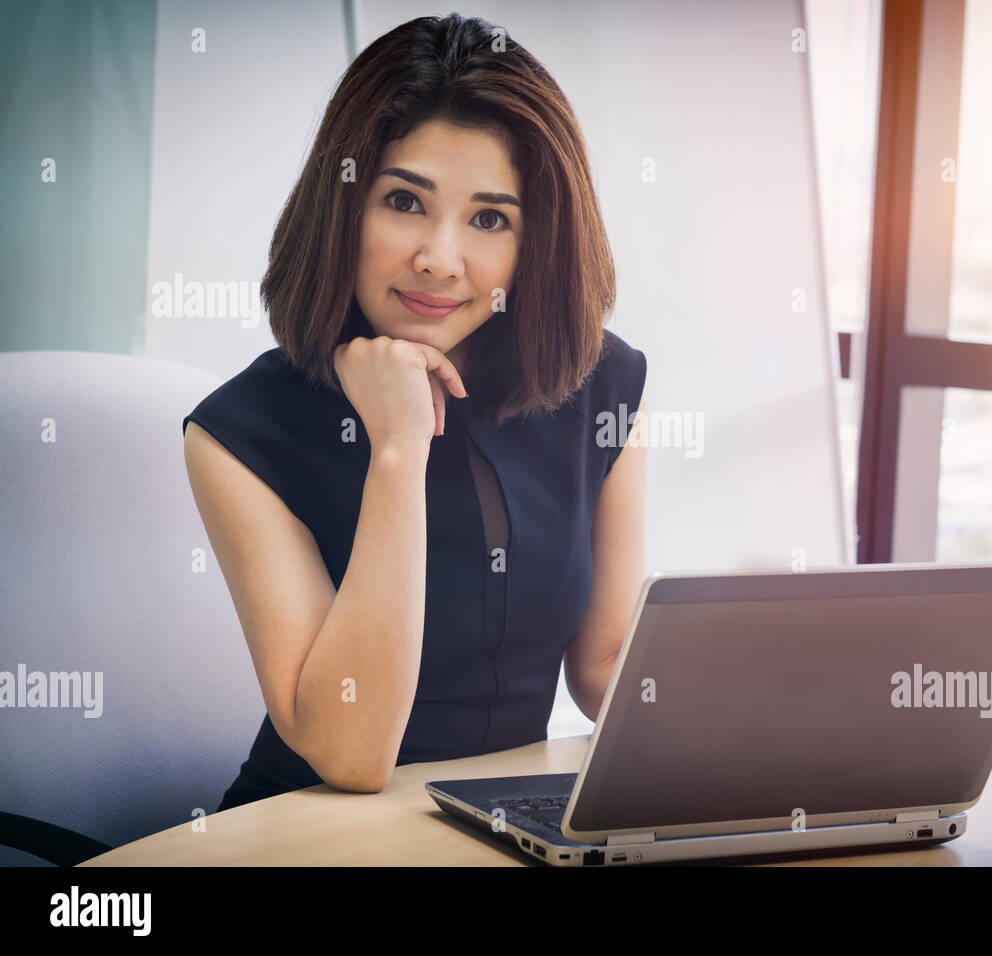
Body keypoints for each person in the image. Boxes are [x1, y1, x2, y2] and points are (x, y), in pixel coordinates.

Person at [181, 13, 648, 812]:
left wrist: (783, 742)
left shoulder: (598, 383)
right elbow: (352, 751)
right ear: (344, 204)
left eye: (490, 218)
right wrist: (398, 448)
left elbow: (606, 668)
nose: (439, 257)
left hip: (501, 833)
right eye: (404, 200)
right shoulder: (240, 431)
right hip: (309, 843)